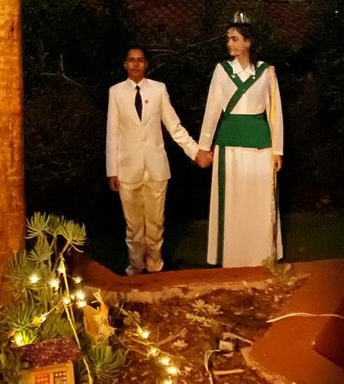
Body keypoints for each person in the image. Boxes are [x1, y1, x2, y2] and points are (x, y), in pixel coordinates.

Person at [106, 44, 204, 275]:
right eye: (131, 60)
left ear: (146, 64)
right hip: (127, 167)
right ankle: (135, 267)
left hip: (156, 168)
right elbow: (113, 132)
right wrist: (112, 169)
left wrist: (195, 151)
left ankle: (155, 266)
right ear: (125, 64)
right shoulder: (116, 92)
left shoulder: (159, 90)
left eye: (140, 60)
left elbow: (174, 126)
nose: (136, 64)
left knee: (155, 223)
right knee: (133, 226)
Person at [197, 21, 283, 268]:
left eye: (234, 39)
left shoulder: (267, 72)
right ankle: (232, 258)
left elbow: (274, 112)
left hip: (259, 148)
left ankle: (261, 255)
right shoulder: (222, 70)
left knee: (258, 203)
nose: (229, 43)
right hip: (230, 147)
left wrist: (277, 149)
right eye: (228, 39)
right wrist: (205, 146)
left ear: (248, 42)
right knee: (232, 203)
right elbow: (213, 108)